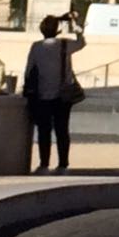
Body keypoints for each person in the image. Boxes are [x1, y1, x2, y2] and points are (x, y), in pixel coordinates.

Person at [23, 12, 85, 174]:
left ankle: (44, 164)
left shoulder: (36, 46)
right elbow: (82, 42)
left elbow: (29, 71)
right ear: (57, 30)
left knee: (44, 131)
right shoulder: (65, 45)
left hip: (42, 95)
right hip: (63, 95)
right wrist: (75, 24)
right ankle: (63, 165)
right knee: (62, 130)